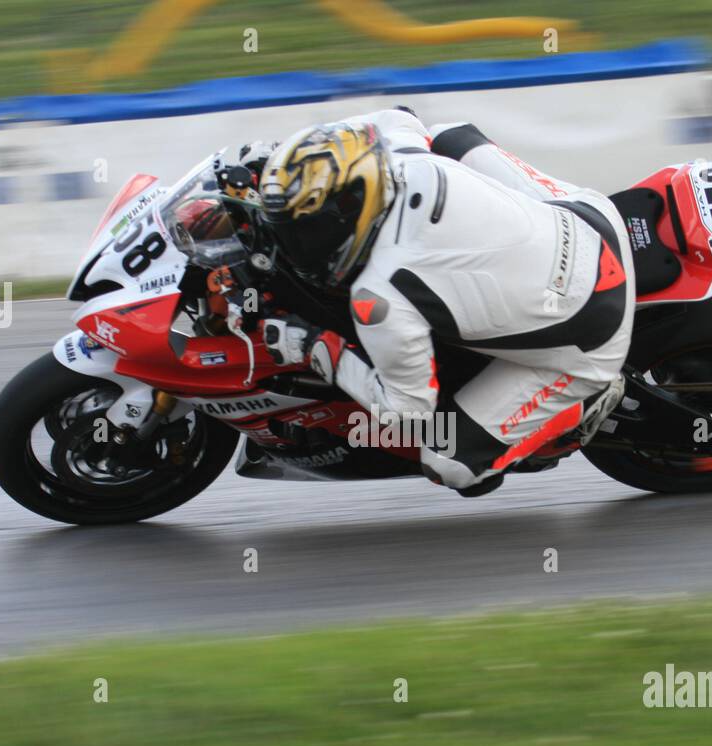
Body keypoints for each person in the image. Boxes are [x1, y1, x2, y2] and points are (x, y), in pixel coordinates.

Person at [254, 108, 635, 496]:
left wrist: (320, 349)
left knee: (449, 462)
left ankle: (589, 400)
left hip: (592, 335)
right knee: (448, 134)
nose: (296, 247)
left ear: (348, 210)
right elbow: (398, 115)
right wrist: (283, 160)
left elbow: (409, 410)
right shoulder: (403, 156)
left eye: (304, 233)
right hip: (590, 219)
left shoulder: (380, 293)